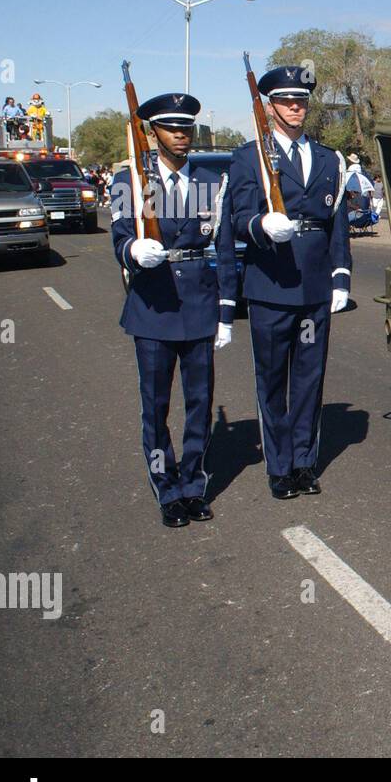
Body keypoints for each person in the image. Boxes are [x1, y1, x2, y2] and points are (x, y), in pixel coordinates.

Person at [110, 92, 238, 528]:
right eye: (171, 128)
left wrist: (225, 311)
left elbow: (221, 248)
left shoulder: (209, 181)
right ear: (153, 133)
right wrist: (133, 250)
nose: (181, 136)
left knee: (200, 402)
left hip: (200, 304)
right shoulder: (130, 181)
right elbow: (121, 238)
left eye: (187, 128)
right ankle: (166, 486)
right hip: (154, 307)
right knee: (156, 404)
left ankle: (193, 484)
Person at [228, 64, 351, 501]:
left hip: (315, 287)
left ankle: (304, 462)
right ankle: (279, 467)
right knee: (273, 380)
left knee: (309, 378)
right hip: (271, 285)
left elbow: (336, 222)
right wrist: (261, 224)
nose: (295, 107)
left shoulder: (327, 158)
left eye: (301, 100)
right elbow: (237, 219)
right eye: (286, 100)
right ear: (269, 106)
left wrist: (340, 277)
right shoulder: (249, 157)